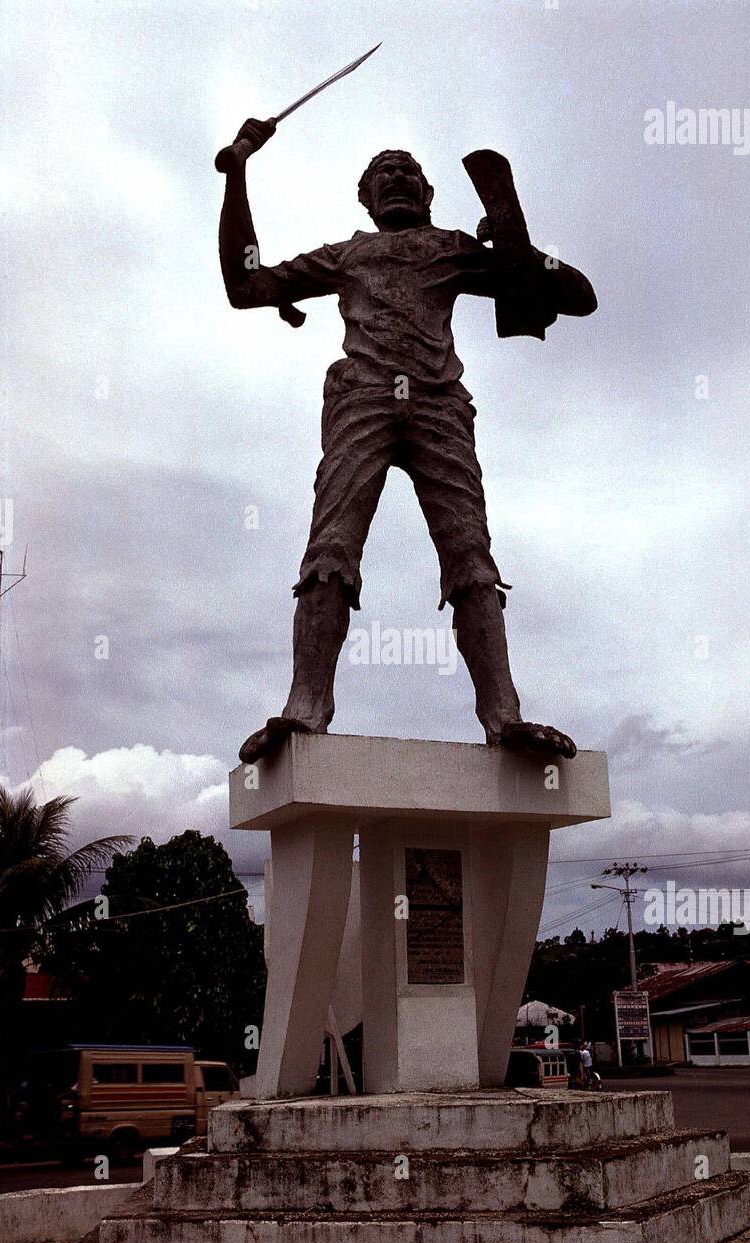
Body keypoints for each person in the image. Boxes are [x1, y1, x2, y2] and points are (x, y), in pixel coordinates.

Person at [218, 122, 597, 763]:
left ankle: (504, 717)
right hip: (362, 398)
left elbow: (579, 296)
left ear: (427, 193)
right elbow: (247, 286)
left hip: (439, 404)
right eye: (381, 172)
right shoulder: (347, 254)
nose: (395, 177)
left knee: (472, 558)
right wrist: (237, 177)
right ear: (364, 198)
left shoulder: (452, 247)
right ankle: (304, 710)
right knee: (329, 550)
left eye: (407, 170)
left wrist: (520, 253)